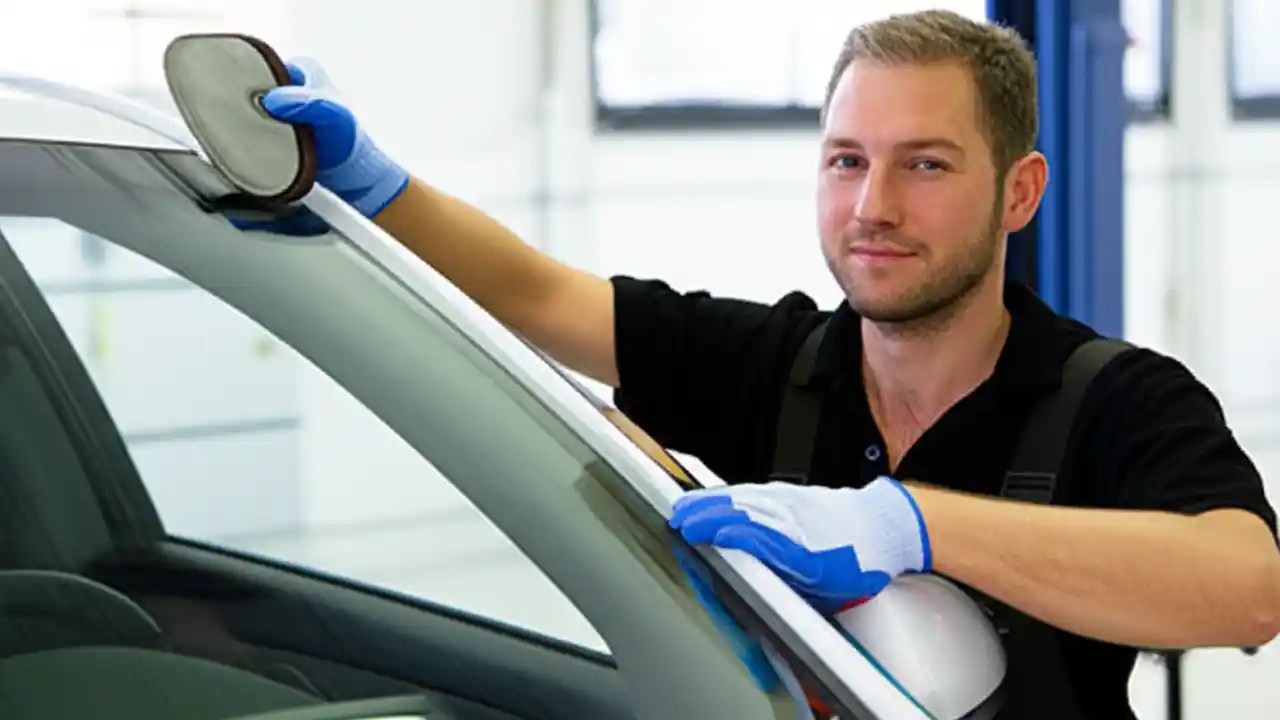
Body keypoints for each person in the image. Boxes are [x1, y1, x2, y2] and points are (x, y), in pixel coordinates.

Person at [254, 9, 1280, 718]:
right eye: (845, 160)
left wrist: (910, 524)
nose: (870, 206)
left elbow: (1246, 587)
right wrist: (375, 190)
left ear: (1017, 193)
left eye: (923, 164)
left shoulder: (1111, 399)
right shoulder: (768, 363)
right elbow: (532, 296)